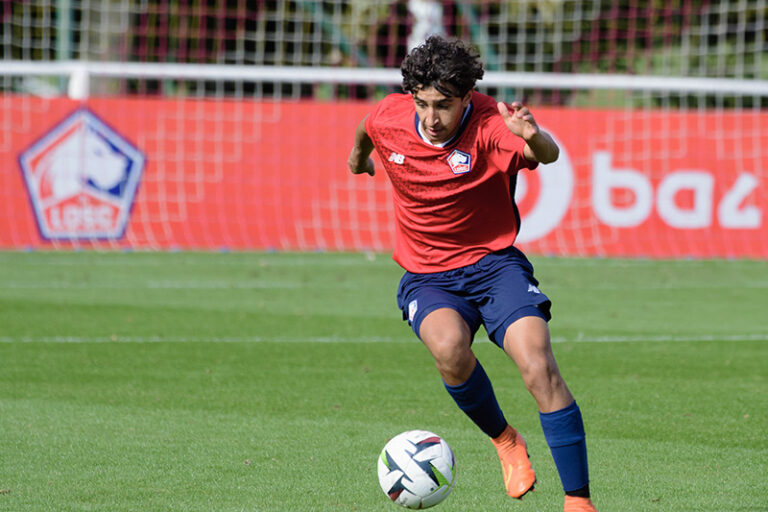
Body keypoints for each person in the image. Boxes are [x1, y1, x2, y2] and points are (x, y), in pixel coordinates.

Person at [347, 35, 597, 512]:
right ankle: (505, 441)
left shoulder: (489, 125)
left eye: (443, 105)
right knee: (448, 349)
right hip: (428, 274)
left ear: (466, 97)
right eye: (422, 103)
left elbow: (548, 155)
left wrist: (533, 136)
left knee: (538, 364)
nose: (431, 117)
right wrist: (358, 159)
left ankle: (578, 500)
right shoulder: (390, 115)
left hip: (494, 265)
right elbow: (366, 127)